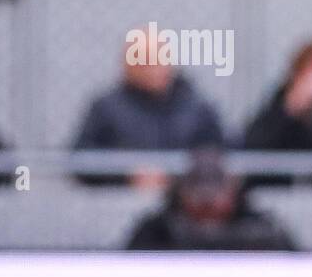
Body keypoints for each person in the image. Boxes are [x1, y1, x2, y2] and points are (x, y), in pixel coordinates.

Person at [73, 26, 225, 188]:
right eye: (144, 60)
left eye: (158, 59)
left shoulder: (197, 108)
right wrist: (126, 175)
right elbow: (82, 160)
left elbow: (222, 154)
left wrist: (178, 176)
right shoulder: (105, 109)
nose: (153, 68)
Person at [126, 149, 296, 252]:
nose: (207, 203)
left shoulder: (265, 232)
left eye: (214, 194)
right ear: (180, 194)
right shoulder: (156, 233)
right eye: (199, 195)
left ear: (234, 193)